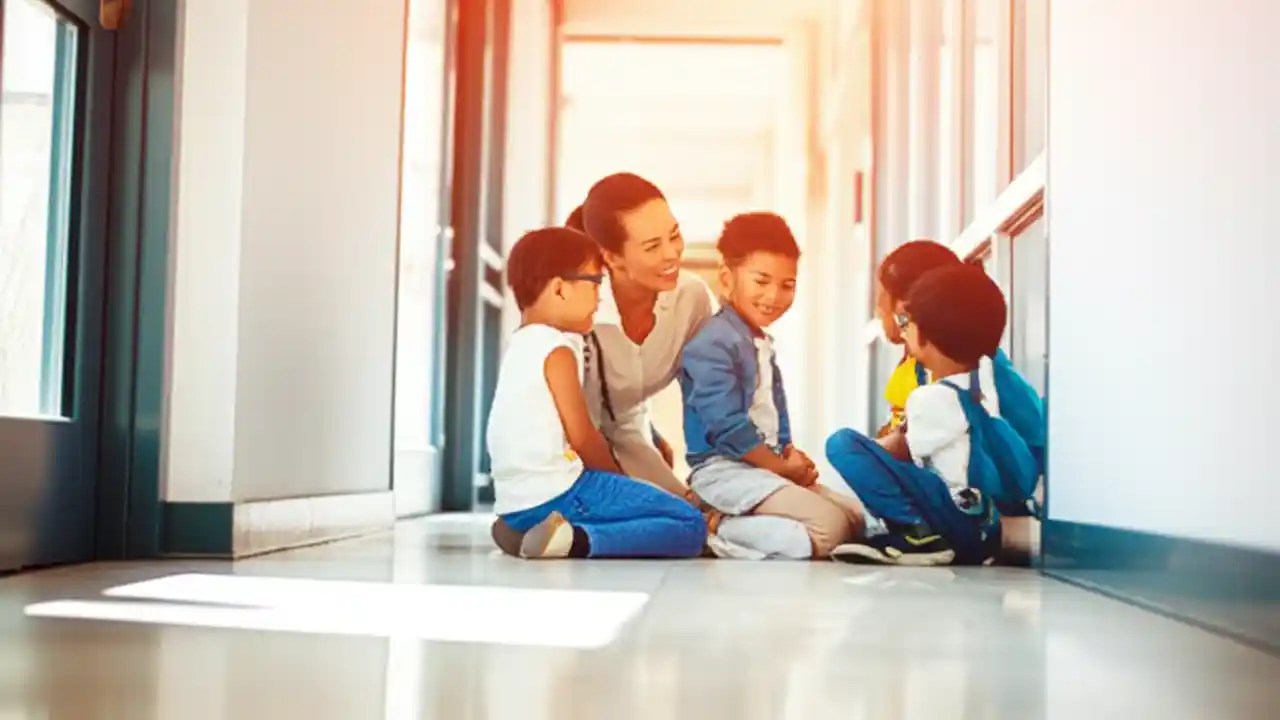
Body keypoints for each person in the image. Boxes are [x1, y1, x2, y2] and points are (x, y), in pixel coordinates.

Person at [486, 227, 708, 559]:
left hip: (515, 502)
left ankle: (521, 531)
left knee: (657, 509)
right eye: (594, 282)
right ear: (560, 288)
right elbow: (584, 437)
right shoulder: (556, 350)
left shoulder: (520, 345)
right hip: (561, 492)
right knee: (690, 524)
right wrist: (621, 484)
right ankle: (575, 540)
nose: (600, 297)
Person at [680, 213, 864, 560]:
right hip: (722, 472)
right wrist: (780, 468)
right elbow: (726, 426)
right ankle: (710, 525)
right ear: (727, 278)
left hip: (759, 468)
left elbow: (771, 416)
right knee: (830, 529)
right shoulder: (713, 343)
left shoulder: (758, 341)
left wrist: (789, 456)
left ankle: (741, 517)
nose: (773, 296)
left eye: (787, 285)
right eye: (761, 281)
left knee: (856, 519)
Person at [825, 264, 1011, 566]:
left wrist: (868, 451)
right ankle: (917, 533)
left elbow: (899, 452)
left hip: (954, 518)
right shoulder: (985, 387)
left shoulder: (932, 398)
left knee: (842, 443)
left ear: (926, 336)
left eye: (906, 322)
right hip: (983, 526)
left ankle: (916, 534)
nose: (903, 329)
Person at [872, 241, 963, 438]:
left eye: (881, 299)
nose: (878, 310)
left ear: (905, 306)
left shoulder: (949, 364)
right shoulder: (913, 361)